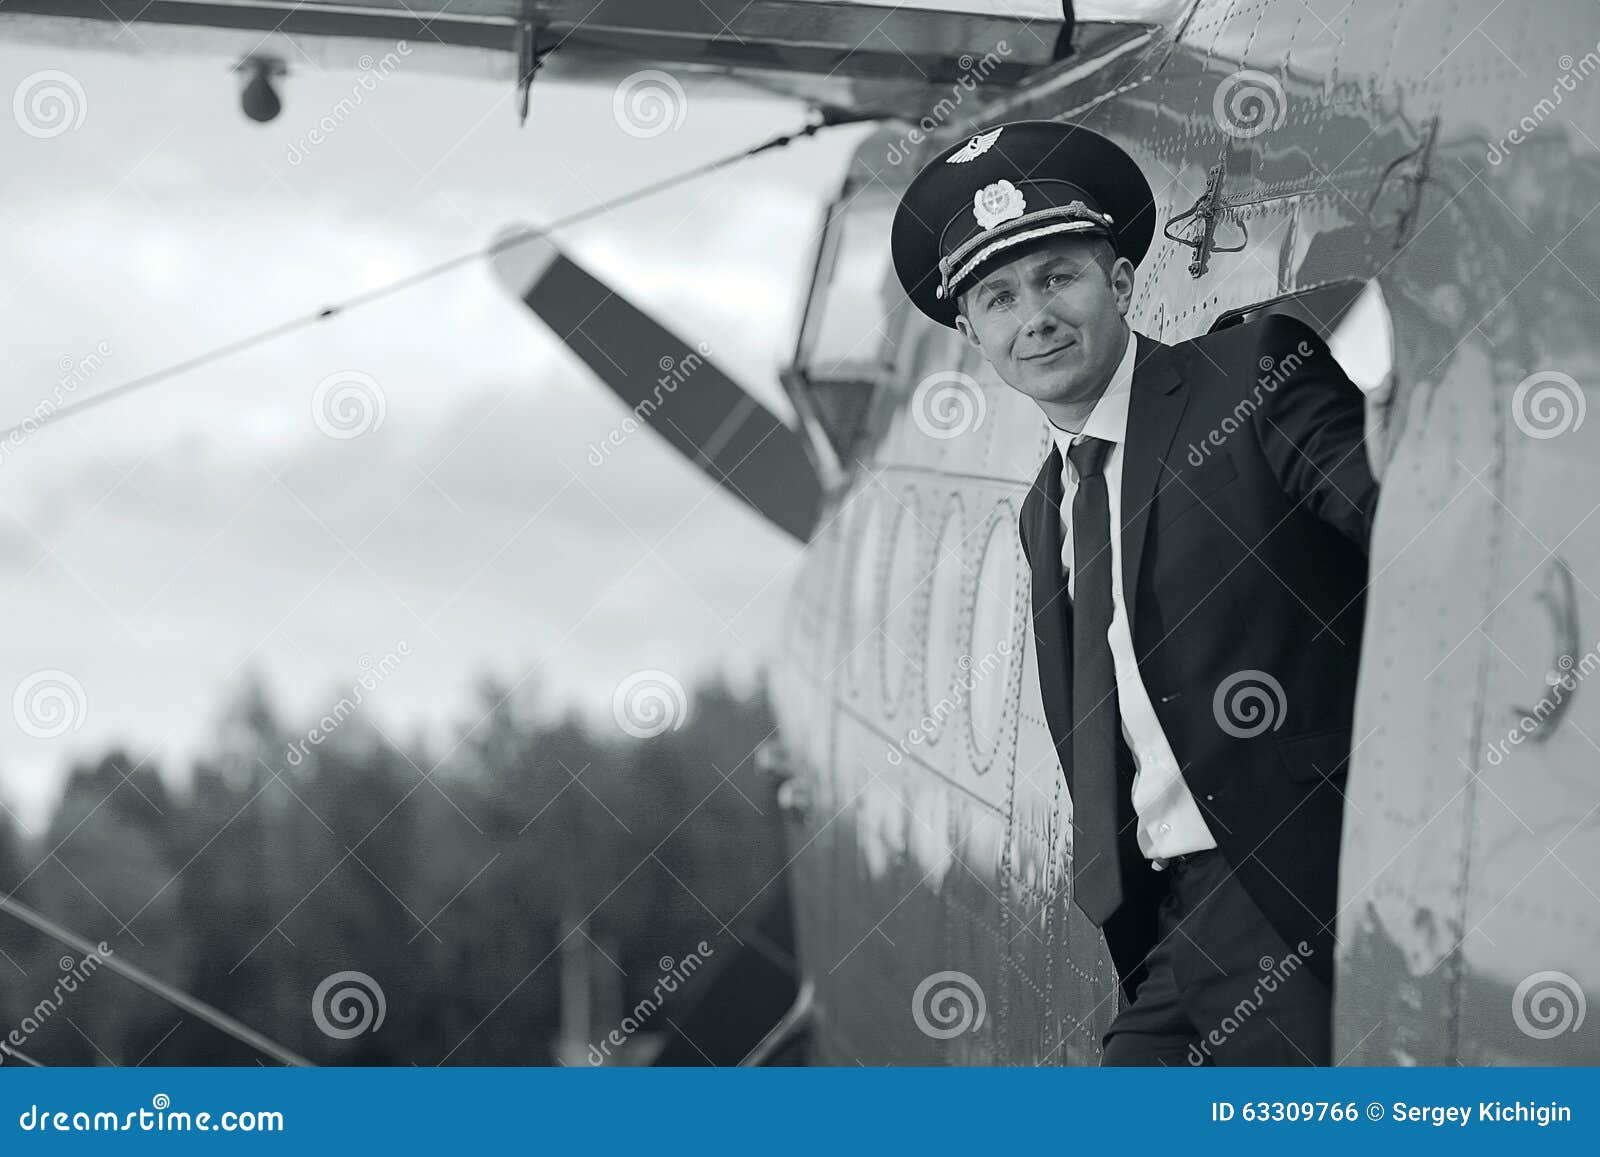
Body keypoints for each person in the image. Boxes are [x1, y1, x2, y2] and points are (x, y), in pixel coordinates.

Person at [890, 119, 1382, 1065]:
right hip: (1166, 928)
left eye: (1058, 278)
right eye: (999, 297)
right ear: (974, 335)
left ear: (1119, 283)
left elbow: (1411, 533)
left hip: (1294, 888)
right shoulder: (1045, 506)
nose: (1035, 316)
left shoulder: (1252, 373)